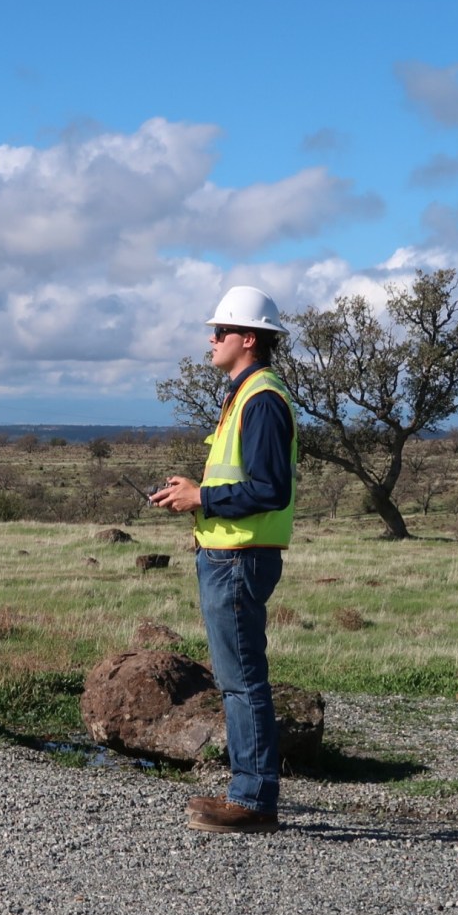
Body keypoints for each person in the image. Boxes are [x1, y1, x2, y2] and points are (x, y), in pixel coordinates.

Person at [150, 286, 297, 835]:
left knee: (241, 682)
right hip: (228, 553)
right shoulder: (245, 395)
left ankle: (253, 800)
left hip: (238, 557)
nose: (211, 340)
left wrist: (202, 499)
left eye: (221, 331)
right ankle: (248, 791)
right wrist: (196, 488)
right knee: (238, 679)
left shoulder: (260, 397)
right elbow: (247, 481)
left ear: (248, 339)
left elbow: (269, 489)